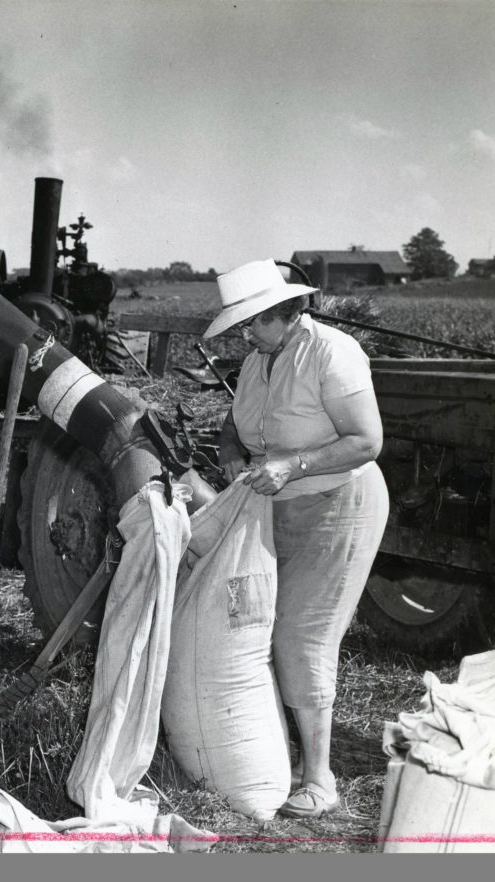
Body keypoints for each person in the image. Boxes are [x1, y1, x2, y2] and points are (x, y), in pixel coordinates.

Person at [203, 259, 389, 818]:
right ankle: (271, 755)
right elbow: (238, 428)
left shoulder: (331, 352)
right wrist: (232, 451)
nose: (244, 334)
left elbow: (365, 440)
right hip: (275, 506)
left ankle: (320, 776)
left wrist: (293, 465)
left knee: (301, 636)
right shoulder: (260, 360)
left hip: (338, 504)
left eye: (251, 322)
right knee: (255, 624)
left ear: (285, 313)